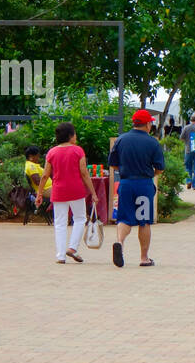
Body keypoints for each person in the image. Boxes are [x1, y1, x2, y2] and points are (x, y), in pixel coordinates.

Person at [107, 109, 165, 268]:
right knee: (144, 221)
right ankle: (144, 258)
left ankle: (119, 242)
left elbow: (112, 164)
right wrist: (149, 173)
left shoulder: (121, 140)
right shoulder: (153, 142)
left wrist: (126, 170)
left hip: (125, 184)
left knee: (124, 218)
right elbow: (160, 169)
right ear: (147, 124)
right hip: (144, 184)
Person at [36, 122, 98, 263]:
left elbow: (45, 175)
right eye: (75, 134)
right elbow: (84, 173)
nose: (76, 137)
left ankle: (60, 256)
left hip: (58, 191)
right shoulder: (78, 151)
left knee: (59, 223)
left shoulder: (52, 152)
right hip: (76, 190)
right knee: (80, 218)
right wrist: (93, 193)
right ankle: (73, 248)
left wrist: (39, 194)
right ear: (70, 136)